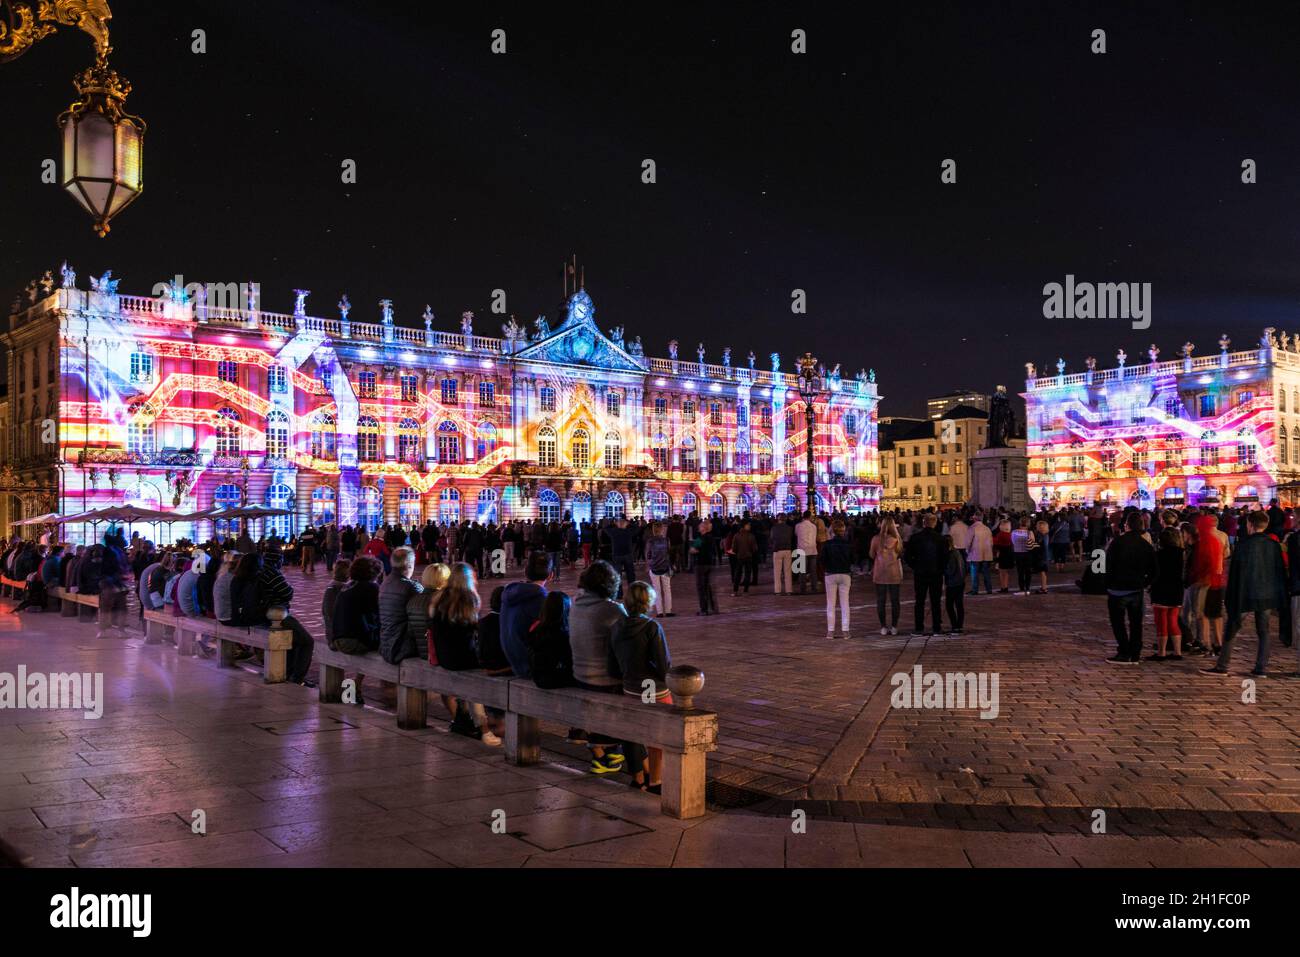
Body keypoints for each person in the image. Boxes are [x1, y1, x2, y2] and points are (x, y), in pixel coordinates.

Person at [1202, 510, 1291, 677]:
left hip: (1245, 592)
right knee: (1263, 631)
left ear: (1250, 524)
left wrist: (1231, 595)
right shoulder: (1273, 545)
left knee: (1233, 627)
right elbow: (1279, 571)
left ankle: (1223, 665)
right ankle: (1261, 668)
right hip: (1266, 593)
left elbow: (1236, 572)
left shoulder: (1244, 545)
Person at [608, 580, 672, 793]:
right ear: (648, 602)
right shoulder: (651, 627)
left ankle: (638, 777)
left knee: (635, 732)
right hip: (653, 689)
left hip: (631, 688)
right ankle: (655, 780)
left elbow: (612, 664)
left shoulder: (616, 626)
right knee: (657, 735)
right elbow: (664, 665)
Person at [427, 563, 500, 745]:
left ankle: (461, 720)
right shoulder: (470, 599)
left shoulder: (439, 598)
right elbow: (474, 632)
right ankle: (484, 729)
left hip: (444, 656)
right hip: (464, 657)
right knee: (477, 684)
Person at [568, 560, 628, 774]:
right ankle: (616, 750)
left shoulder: (576, 604)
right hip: (604, 681)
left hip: (579, 676)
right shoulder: (612, 610)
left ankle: (604, 753)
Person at [1104, 511, 1158, 664]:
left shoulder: (1117, 542)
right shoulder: (1145, 545)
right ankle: (1135, 653)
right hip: (1136, 589)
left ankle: (1124, 651)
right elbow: (1154, 569)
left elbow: (1105, 565)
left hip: (1117, 589)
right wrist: (1145, 583)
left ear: (1126, 525)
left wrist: (1107, 583)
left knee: (1118, 622)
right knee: (1136, 623)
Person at [500, 551, 552, 678]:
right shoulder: (542, 600)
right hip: (528, 666)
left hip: (512, 660)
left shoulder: (509, 593)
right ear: (550, 575)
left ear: (525, 572)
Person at [378, 546, 424, 664]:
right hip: (402, 645)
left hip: (385, 643)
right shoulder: (411, 587)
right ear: (409, 565)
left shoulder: (385, 583)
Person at [904, 514, 946, 636]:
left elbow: (907, 556)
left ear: (924, 523)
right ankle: (936, 627)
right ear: (934, 523)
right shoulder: (940, 539)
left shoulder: (915, 538)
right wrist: (940, 569)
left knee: (919, 601)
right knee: (935, 601)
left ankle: (919, 628)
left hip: (920, 572)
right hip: (935, 573)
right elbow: (945, 557)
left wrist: (915, 566)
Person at [1149, 526, 1185, 660]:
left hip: (1161, 589)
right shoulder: (1183, 553)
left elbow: (1153, 572)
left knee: (1161, 621)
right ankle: (1177, 651)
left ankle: (1161, 652)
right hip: (1177, 590)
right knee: (1173, 621)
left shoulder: (1158, 554)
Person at [869, 517, 904, 636]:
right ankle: (894, 626)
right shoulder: (897, 539)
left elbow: (871, 554)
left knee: (881, 601)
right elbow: (900, 554)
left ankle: (883, 626)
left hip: (880, 572)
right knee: (895, 601)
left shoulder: (876, 539)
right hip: (894, 572)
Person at [820, 519, 854, 639]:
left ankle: (830, 631)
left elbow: (822, 560)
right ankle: (845, 631)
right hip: (845, 573)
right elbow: (853, 559)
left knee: (831, 604)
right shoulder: (848, 544)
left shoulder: (827, 544)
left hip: (831, 573)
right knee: (845, 603)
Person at [645, 522, 675, 617]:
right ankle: (668, 610)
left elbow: (647, 554)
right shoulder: (666, 540)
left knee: (656, 590)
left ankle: (660, 612)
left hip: (654, 567)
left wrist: (648, 564)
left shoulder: (650, 541)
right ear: (662, 529)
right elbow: (669, 553)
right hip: (665, 566)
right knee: (667, 589)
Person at [692, 519, 719, 615]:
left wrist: (695, 550)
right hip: (710, 564)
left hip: (700, 564)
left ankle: (704, 609)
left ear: (703, 528)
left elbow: (693, 550)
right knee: (710, 586)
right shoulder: (712, 538)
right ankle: (714, 608)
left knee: (701, 587)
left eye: (700, 526)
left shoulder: (700, 539)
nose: (699, 528)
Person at [943, 534, 966, 634]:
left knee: (950, 605)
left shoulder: (951, 554)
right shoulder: (957, 552)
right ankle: (959, 625)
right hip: (960, 581)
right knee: (959, 604)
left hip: (953, 582)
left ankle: (955, 625)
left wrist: (943, 571)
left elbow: (950, 570)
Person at [966, 514, 994, 594]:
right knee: (986, 573)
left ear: (974, 519)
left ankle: (975, 590)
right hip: (986, 553)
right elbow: (991, 542)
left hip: (975, 553)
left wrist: (967, 551)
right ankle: (989, 589)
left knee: (974, 573)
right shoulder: (987, 528)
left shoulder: (972, 528)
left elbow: (968, 542)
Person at [770, 513, 795, 595]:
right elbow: (791, 537)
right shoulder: (789, 528)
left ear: (778, 519)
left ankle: (777, 590)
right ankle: (789, 590)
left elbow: (772, 538)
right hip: (787, 549)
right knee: (787, 571)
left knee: (777, 572)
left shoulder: (774, 528)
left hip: (777, 550)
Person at [795, 511, 819, 593]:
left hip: (802, 549)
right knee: (813, 571)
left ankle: (803, 588)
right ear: (810, 517)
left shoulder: (798, 526)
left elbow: (796, 534)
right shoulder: (813, 526)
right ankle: (814, 587)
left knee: (802, 571)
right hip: (812, 550)